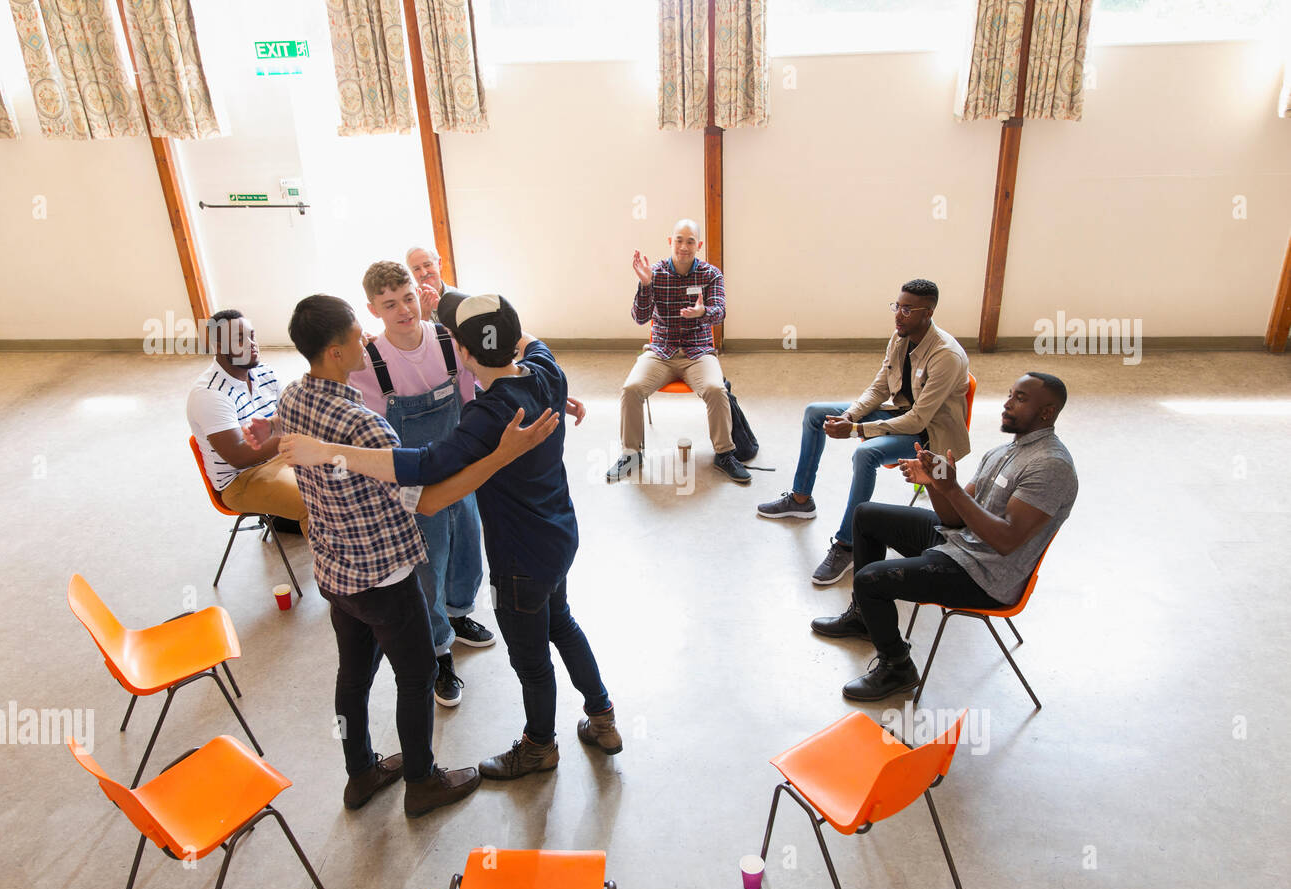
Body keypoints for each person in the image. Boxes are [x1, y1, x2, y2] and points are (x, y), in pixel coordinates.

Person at [279, 292, 622, 782]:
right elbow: (525, 339)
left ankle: (539, 746)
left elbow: (424, 467)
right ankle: (603, 717)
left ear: (460, 351)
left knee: (531, 660)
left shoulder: (487, 416)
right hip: (559, 537)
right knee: (561, 623)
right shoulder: (547, 369)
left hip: (518, 562)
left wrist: (327, 450)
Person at [811, 373, 1076, 702]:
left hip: (984, 575)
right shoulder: (1002, 452)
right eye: (1009, 395)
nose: (1007, 404)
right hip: (961, 542)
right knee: (866, 515)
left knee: (870, 580)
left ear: (1047, 413)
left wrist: (949, 487)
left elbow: (1006, 541)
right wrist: (935, 484)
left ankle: (897, 667)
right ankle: (864, 619)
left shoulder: (1050, 467)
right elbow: (953, 517)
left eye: (1020, 399)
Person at [758, 279, 971, 585]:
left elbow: (918, 420)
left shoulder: (946, 356)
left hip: (930, 434)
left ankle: (848, 544)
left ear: (929, 312)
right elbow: (880, 387)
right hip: (900, 413)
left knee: (866, 453)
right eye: (897, 306)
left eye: (908, 309)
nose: (898, 314)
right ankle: (801, 499)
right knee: (816, 413)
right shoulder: (901, 337)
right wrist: (848, 415)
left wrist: (856, 429)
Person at [350, 260, 494, 710]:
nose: (403, 310)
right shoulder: (369, 363)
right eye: (390, 304)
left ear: (421, 292)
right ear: (373, 309)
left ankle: (460, 615)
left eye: (408, 297)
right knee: (427, 566)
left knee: (468, 546)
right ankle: (438, 651)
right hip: (412, 483)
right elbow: (371, 433)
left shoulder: (450, 343)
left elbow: (472, 398)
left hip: (458, 468)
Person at [611, 218, 750, 484]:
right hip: (661, 351)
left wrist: (703, 312)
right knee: (630, 390)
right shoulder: (656, 273)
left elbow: (720, 312)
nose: (683, 246)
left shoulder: (711, 274)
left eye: (689, 241)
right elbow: (640, 318)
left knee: (715, 389)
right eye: (679, 240)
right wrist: (645, 285)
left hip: (698, 352)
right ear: (670, 242)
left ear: (698, 245)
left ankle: (725, 453)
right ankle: (631, 454)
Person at [186, 309, 308, 536]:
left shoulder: (263, 372)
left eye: (252, 335)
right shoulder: (210, 394)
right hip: (242, 480)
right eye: (240, 339)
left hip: (280, 457)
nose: (252, 344)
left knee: (344, 475)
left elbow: (291, 414)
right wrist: (293, 427)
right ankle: (336, 569)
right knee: (315, 502)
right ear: (219, 346)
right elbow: (239, 457)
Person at [405, 244, 451, 320]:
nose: (423, 273)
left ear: (439, 263)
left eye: (427, 265)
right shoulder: (407, 307)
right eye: (416, 269)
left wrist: (443, 309)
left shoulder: (460, 299)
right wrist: (423, 316)